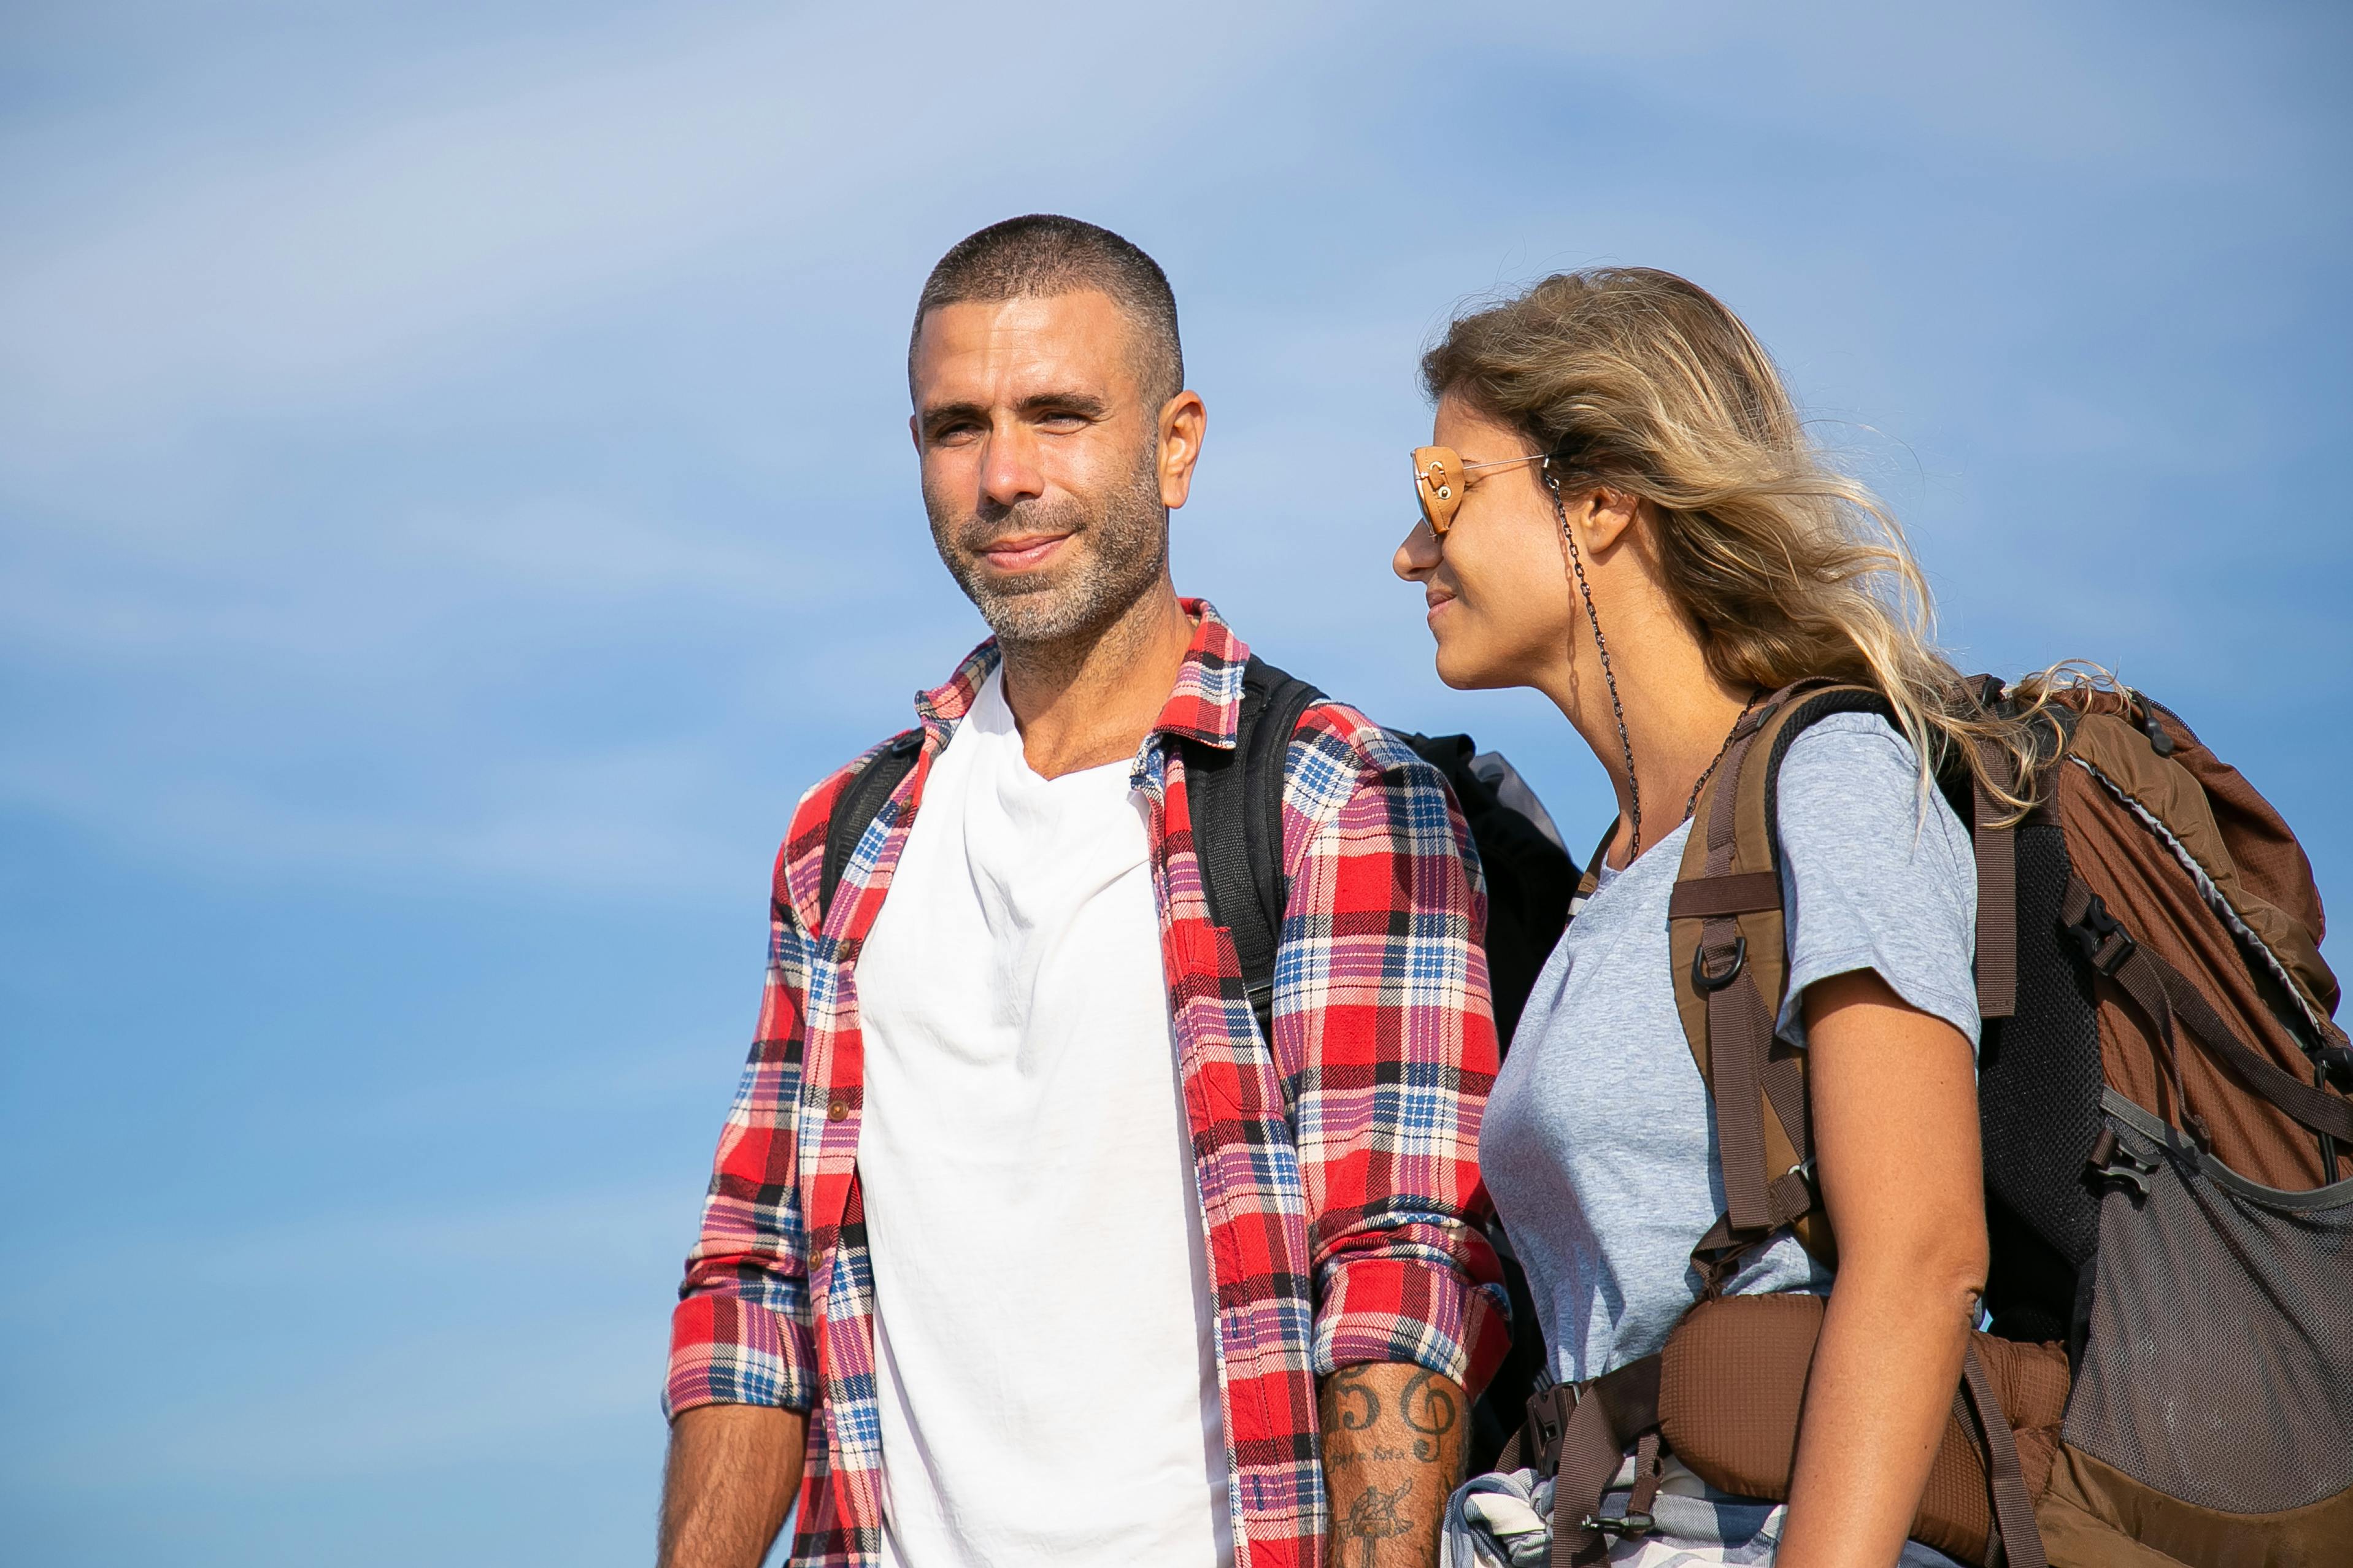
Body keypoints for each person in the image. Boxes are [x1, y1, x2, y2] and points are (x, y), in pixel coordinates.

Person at [657, 215, 1509, 1568]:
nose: (1003, 477)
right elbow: (754, 1289)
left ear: (1175, 444)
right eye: (955, 427)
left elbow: (1400, 1269)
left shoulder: (1332, 799)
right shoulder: (842, 842)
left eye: (1058, 416)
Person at [1394, 268, 2033, 1567]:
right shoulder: (1617, 874)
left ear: (1605, 497)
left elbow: (1919, 1258)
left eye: (1445, 489)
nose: (1411, 548)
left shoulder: (1835, 779)